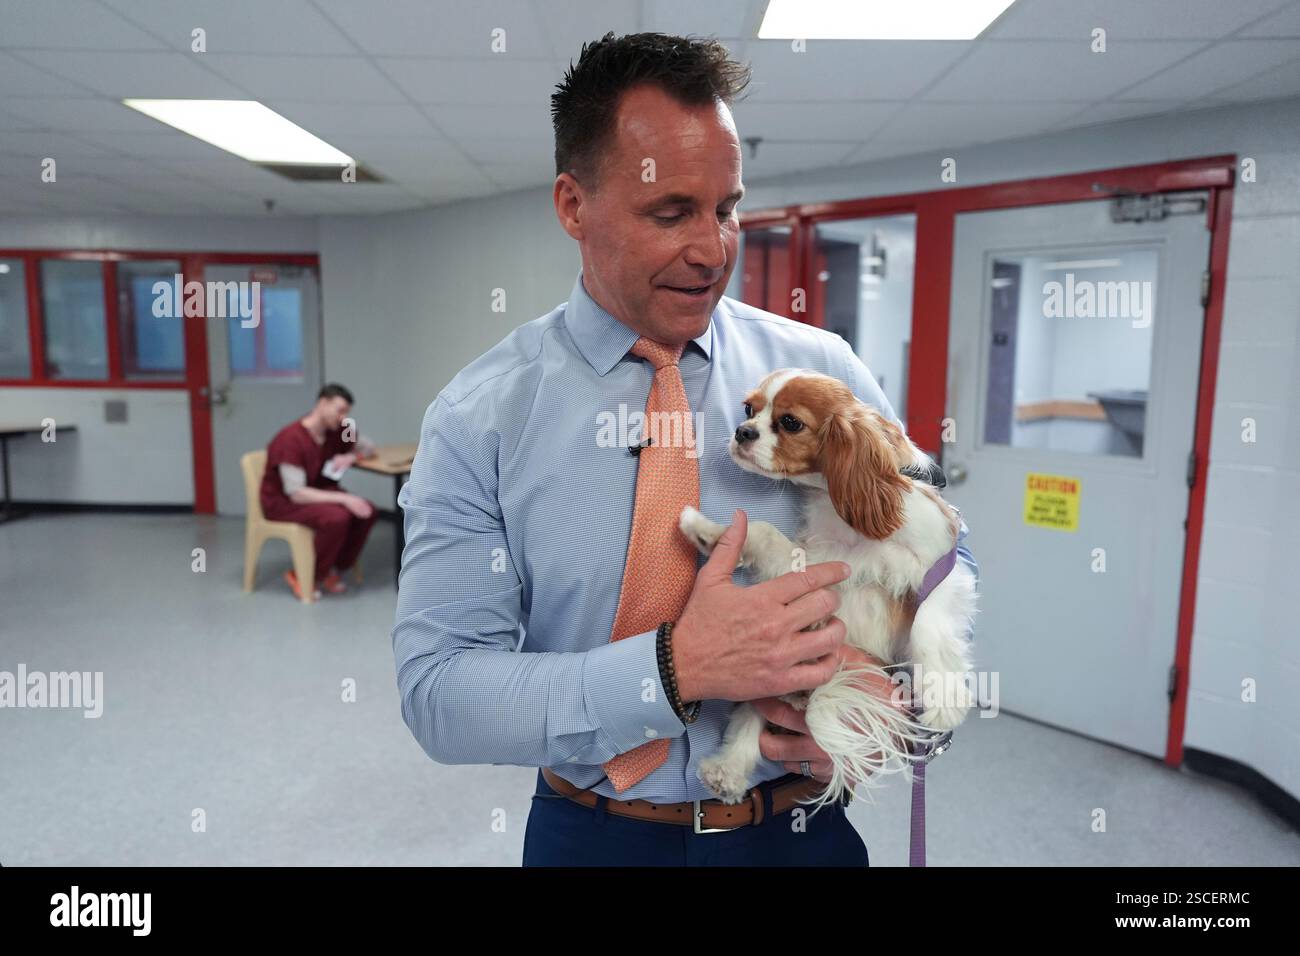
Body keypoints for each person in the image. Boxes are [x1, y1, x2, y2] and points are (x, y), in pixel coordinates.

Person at [392, 33, 978, 866]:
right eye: (671, 213)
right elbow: (439, 694)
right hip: (593, 836)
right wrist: (673, 669)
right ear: (573, 206)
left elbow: (941, 548)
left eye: (727, 208)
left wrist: (902, 702)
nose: (714, 250)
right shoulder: (478, 418)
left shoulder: (823, 372)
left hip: (799, 830)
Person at [260, 383, 378, 600]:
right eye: (340, 410)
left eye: (347, 413)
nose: (344, 417)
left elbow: (369, 447)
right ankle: (306, 575)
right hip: (285, 502)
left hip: (319, 492)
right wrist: (345, 498)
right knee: (337, 517)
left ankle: (334, 569)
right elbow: (296, 492)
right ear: (322, 403)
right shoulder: (290, 439)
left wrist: (351, 456)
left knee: (367, 511)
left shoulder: (339, 430)